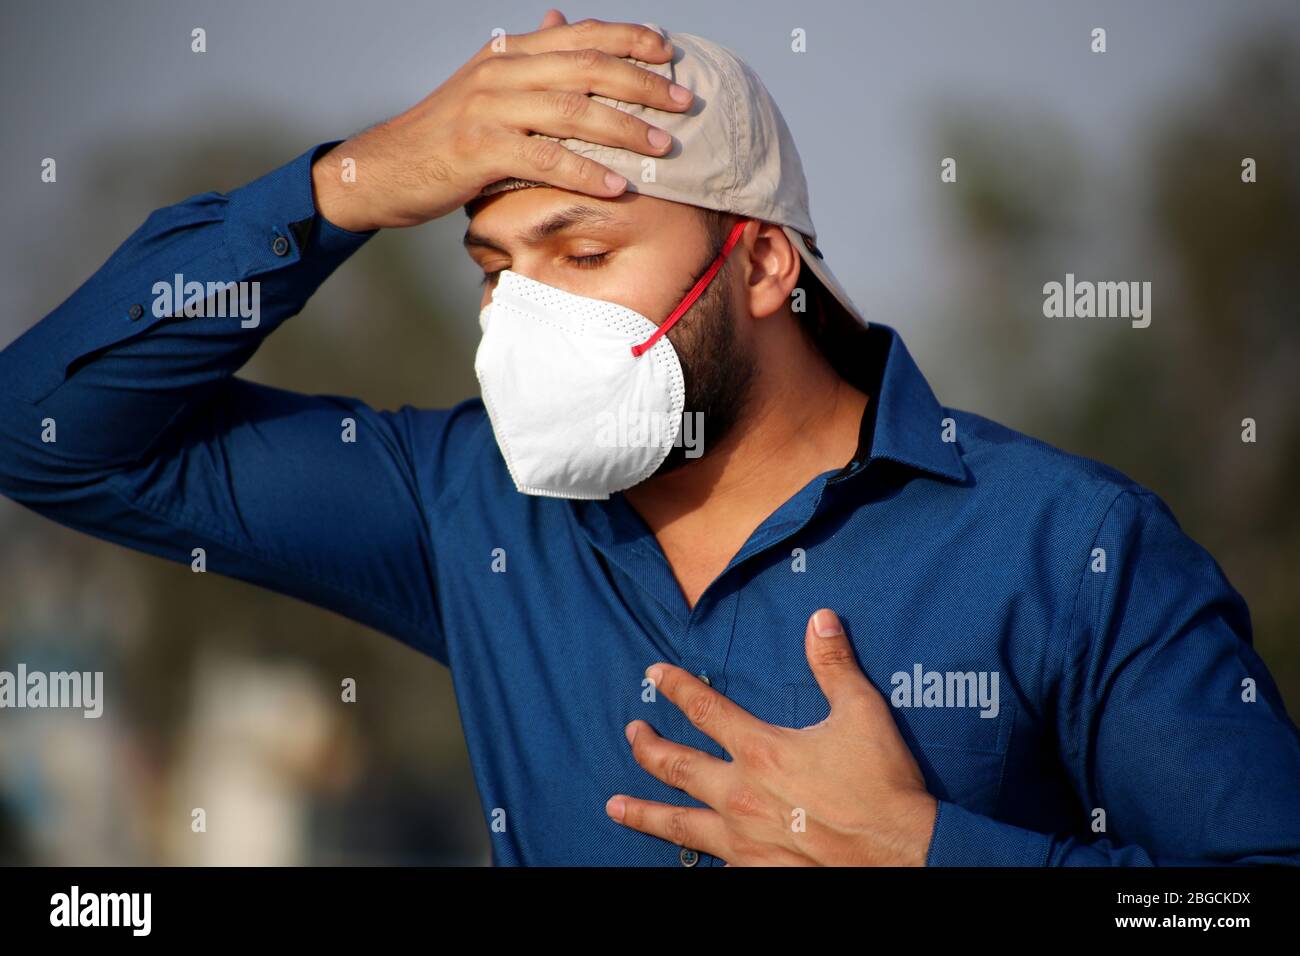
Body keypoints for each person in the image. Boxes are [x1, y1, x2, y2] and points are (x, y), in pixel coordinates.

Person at [1, 11, 1297, 867]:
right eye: (495, 266)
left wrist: (923, 852)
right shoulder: (467, 508)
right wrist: (345, 185)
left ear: (766, 263)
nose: (523, 313)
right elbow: (51, 431)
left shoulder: (1072, 545)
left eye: (584, 251)